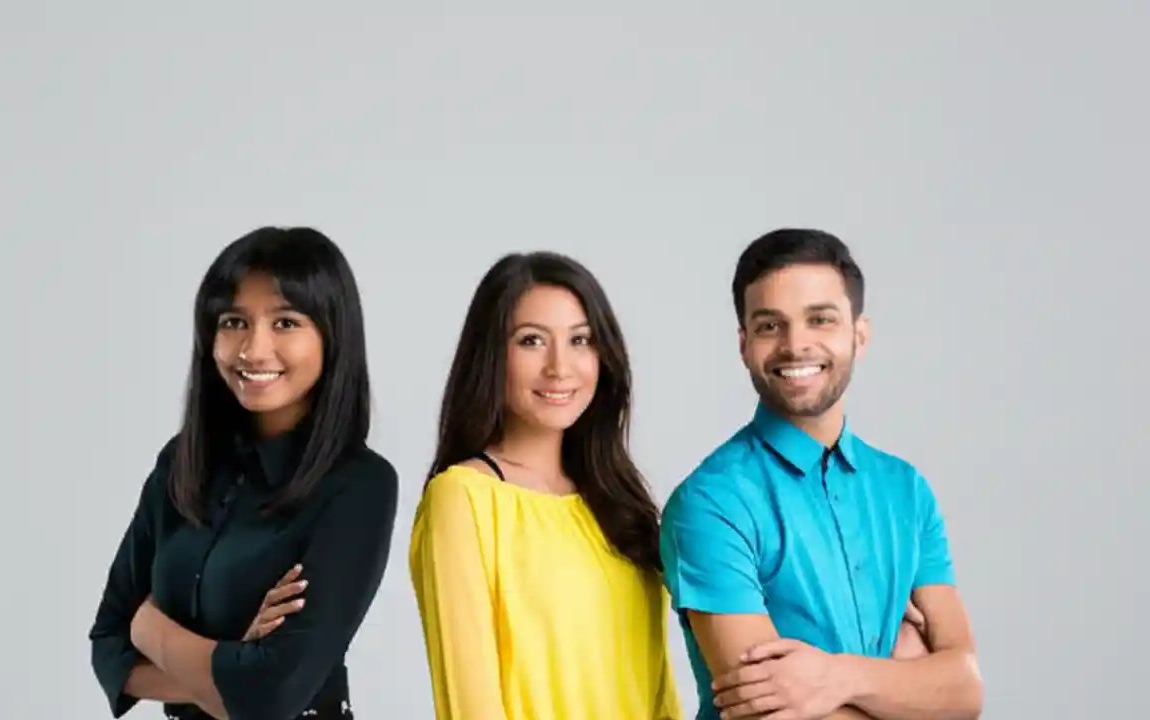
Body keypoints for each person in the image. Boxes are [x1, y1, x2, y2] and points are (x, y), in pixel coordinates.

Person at [660, 228, 984, 720]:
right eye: (771, 326)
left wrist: (836, 677)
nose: (796, 345)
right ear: (744, 344)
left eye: (821, 320)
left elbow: (964, 694)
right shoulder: (709, 503)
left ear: (859, 334)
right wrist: (911, 681)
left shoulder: (906, 490)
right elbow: (767, 712)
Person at [88, 227, 398, 720]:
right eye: (234, 321)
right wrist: (229, 671)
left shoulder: (359, 484)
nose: (253, 350)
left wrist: (151, 629)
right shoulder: (181, 463)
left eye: (286, 323)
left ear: (332, 335)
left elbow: (274, 696)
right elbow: (107, 643)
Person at [409, 251, 682, 720]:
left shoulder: (619, 502)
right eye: (532, 340)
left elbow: (656, 689)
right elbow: (471, 703)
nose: (560, 366)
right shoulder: (463, 499)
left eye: (581, 340)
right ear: (492, 355)